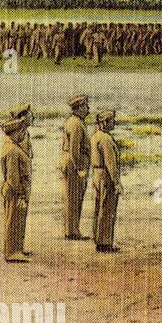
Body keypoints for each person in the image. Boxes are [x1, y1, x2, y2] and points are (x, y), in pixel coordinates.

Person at [0, 116, 32, 263]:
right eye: (21, 131)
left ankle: (17, 249)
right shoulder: (12, 149)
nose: (22, 134)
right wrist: (21, 195)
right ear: (15, 132)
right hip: (14, 191)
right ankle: (12, 252)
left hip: (15, 190)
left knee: (17, 220)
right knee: (13, 220)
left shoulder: (12, 146)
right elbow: (13, 177)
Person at [60, 94, 92, 240]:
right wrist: (80, 168)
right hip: (74, 164)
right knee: (73, 198)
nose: (88, 109)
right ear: (78, 108)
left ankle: (71, 230)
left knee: (72, 197)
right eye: (85, 106)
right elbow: (74, 149)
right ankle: (72, 231)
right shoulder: (76, 124)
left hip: (71, 162)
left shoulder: (75, 121)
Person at [90, 110, 122, 252]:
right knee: (107, 208)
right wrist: (116, 182)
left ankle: (98, 239)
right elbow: (111, 163)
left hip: (96, 174)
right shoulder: (106, 139)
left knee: (99, 207)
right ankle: (105, 242)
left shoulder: (95, 136)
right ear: (104, 123)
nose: (114, 123)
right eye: (111, 121)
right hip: (105, 175)